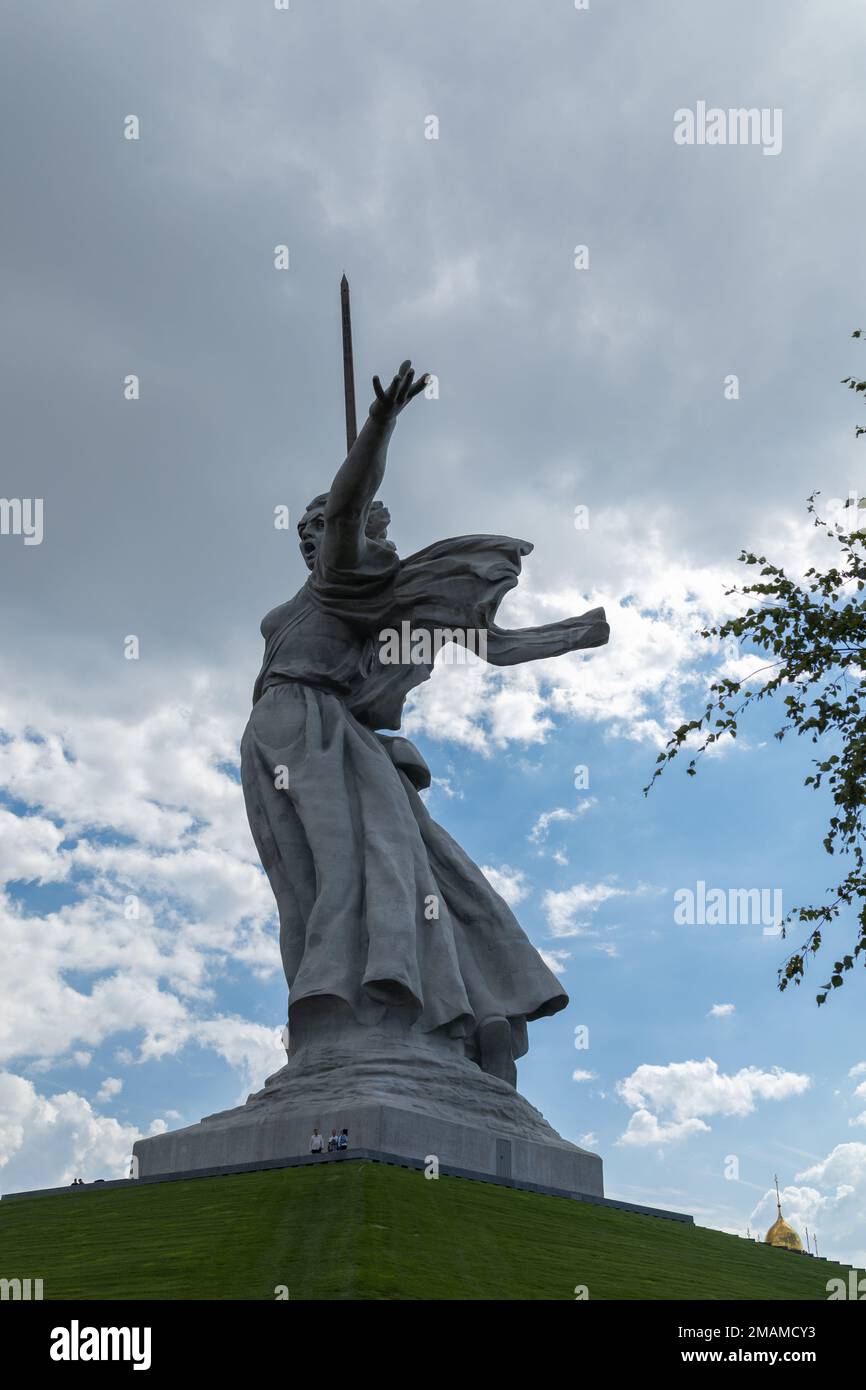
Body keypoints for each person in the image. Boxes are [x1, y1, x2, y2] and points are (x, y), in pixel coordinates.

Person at [241, 360, 609, 1087]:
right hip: (293, 730)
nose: (331, 536)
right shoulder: (337, 586)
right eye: (319, 530)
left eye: (342, 526)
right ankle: (361, 1015)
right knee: (329, 876)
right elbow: (347, 509)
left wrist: (572, 634)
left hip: (315, 723)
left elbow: (491, 643)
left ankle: (423, 1010)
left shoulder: (350, 582)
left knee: (386, 864)